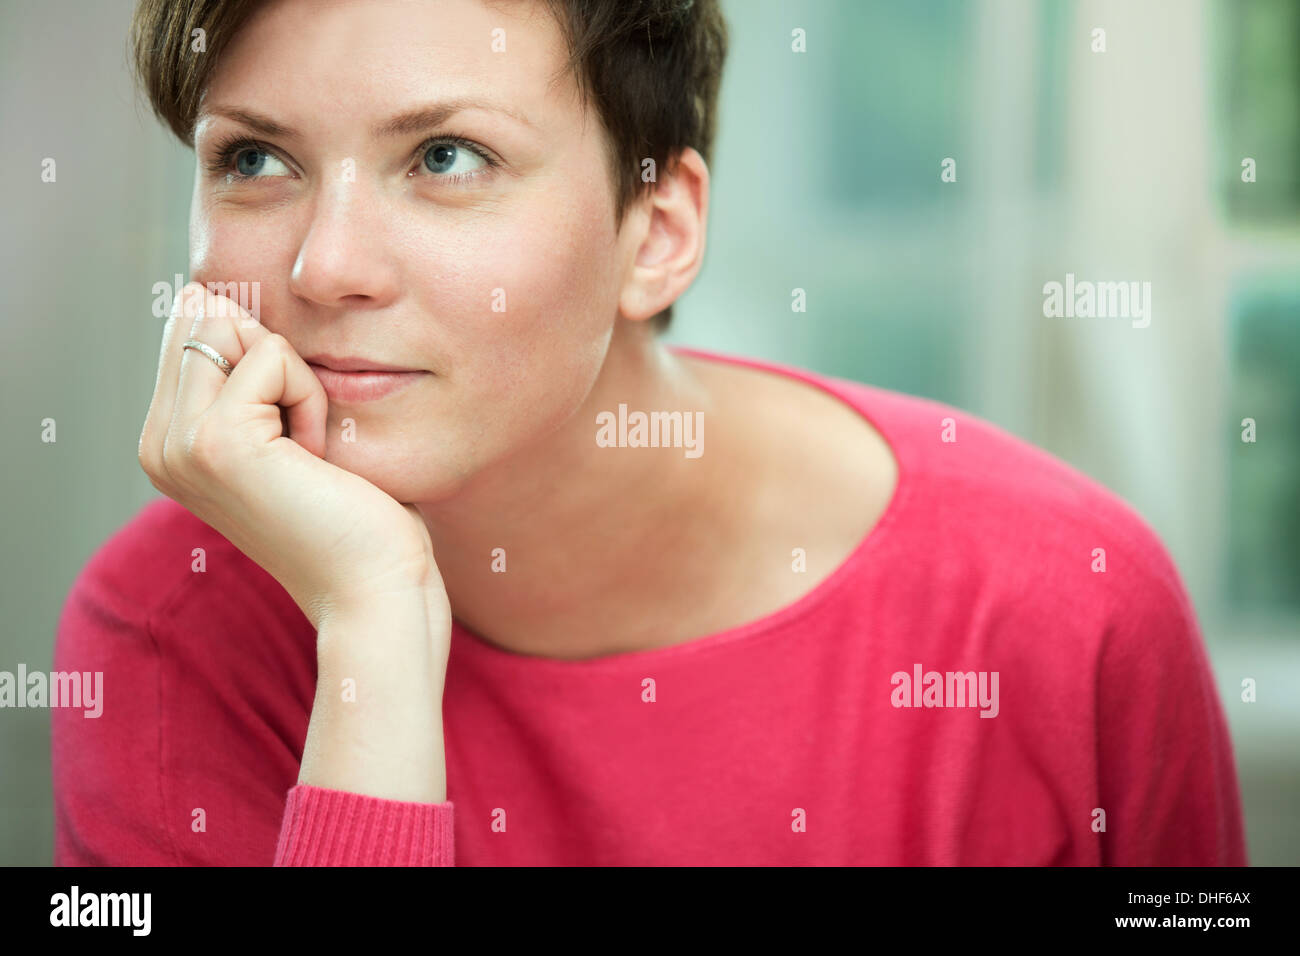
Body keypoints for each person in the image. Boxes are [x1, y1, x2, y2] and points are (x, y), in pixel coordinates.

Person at [51, 0, 1247, 866]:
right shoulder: (170, 629)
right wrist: (371, 627)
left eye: (446, 157)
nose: (327, 265)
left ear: (658, 229)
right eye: (254, 159)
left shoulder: (1059, 605)